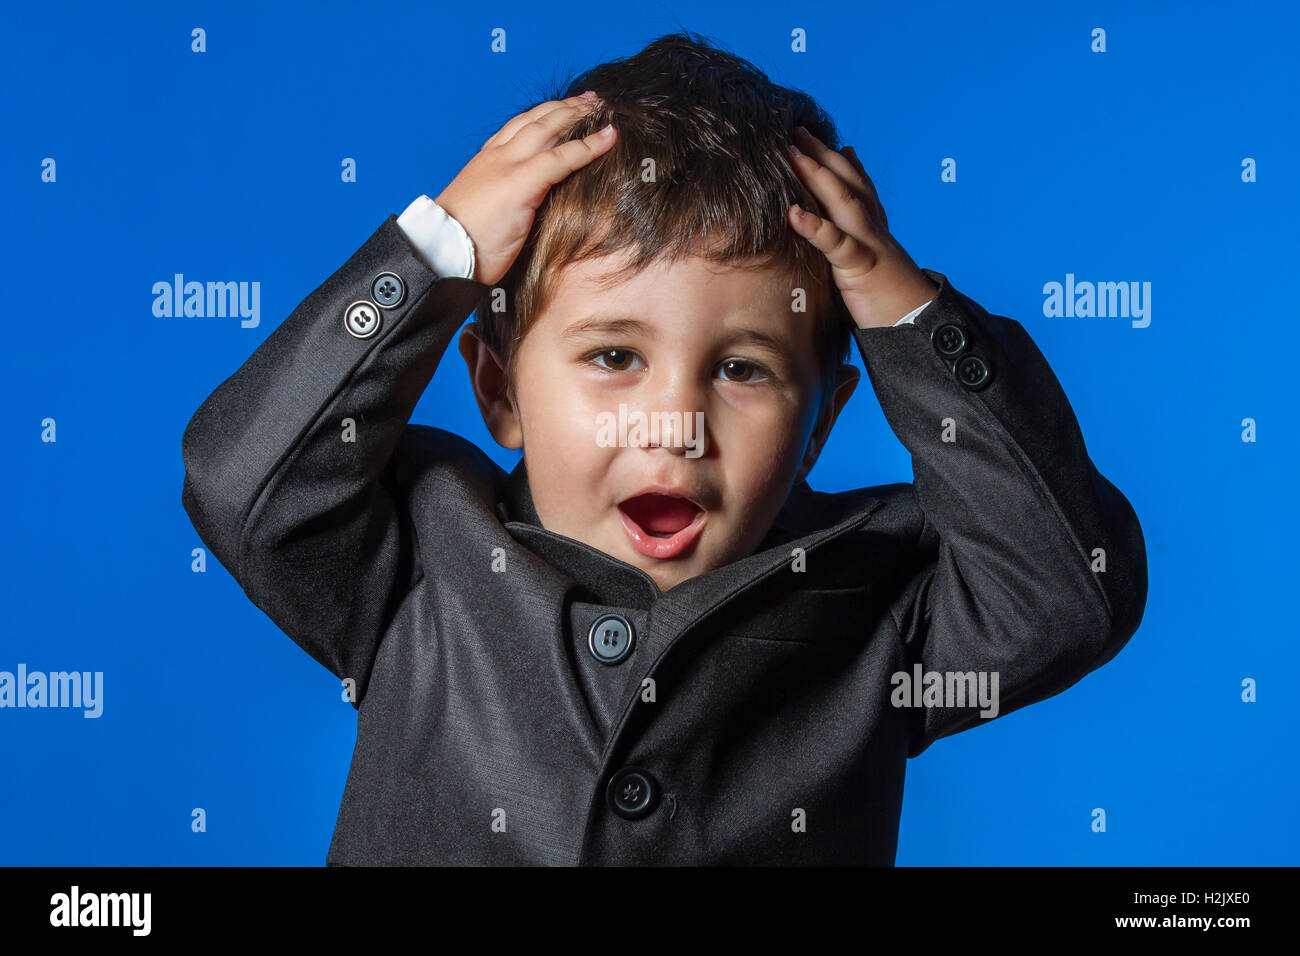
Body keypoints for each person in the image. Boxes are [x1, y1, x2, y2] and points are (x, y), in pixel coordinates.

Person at [180, 31, 1147, 865]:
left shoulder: (880, 604)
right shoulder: (418, 558)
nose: (673, 423)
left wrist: (909, 316)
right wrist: (436, 254)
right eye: (613, 355)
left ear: (821, 424)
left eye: (741, 370)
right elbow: (242, 483)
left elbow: (1071, 590)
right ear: (499, 389)